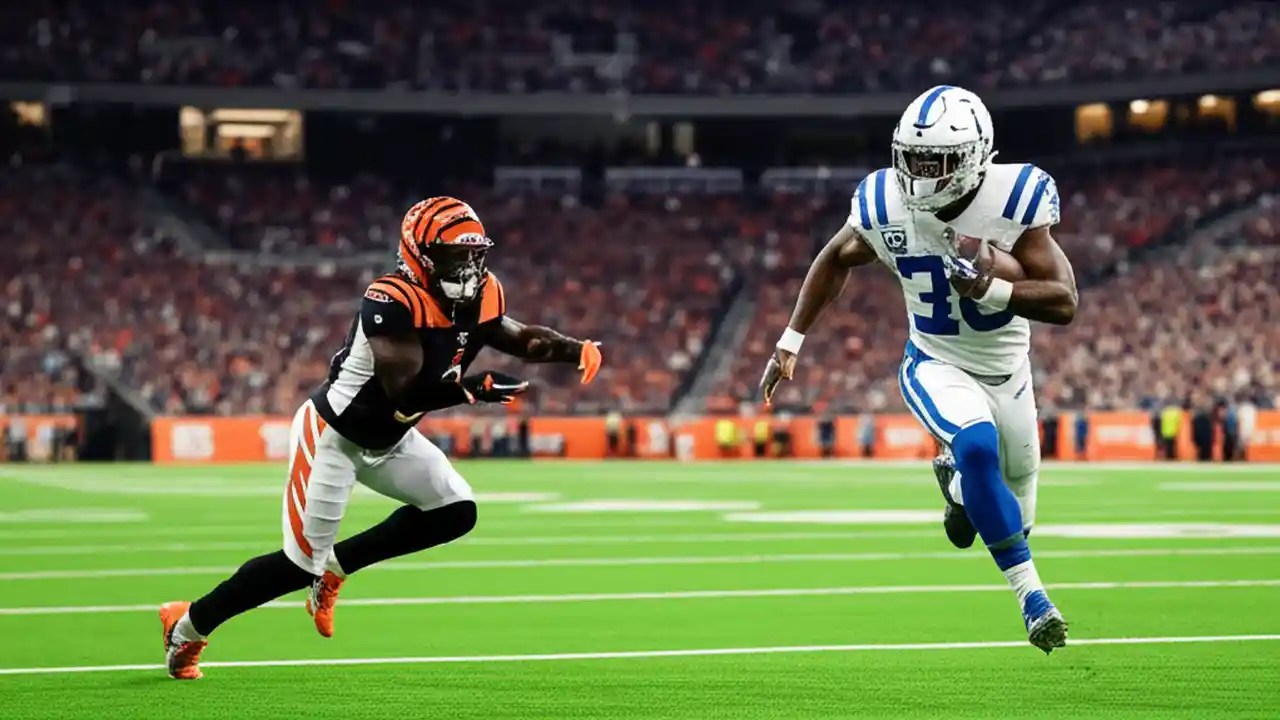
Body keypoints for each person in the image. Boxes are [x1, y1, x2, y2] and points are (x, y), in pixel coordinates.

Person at [158, 197, 603, 680]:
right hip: (335, 436)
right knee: (297, 566)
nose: (469, 268)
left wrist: (574, 349)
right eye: (455, 256)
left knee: (455, 511)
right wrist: (470, 388)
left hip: (392, 437)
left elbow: (519, 338)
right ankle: (187, 626)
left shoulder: (482, 294)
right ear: (420, 256)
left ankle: (338, 568)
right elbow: (404, 391)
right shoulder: (391, 298)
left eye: (474, 255)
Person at [760, 86, 1076, 654]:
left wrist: (991, 286)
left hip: (1009, 373)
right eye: (914, 159)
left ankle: (957, 490)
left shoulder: (1014, 198)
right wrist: (790, 340)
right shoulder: (885, 202)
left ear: (975, 157)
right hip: (935, 360)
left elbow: (1064, 301)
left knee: (1005, 517)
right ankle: (1034, 600)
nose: (921, 174)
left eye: (937, 162)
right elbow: (834, 256)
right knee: (976, 448)